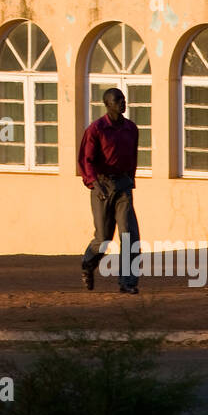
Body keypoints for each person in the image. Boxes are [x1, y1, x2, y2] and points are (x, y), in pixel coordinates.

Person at [77, 87, 141, 294]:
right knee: (104, 238)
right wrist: (95, 184)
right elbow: (86, 161)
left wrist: (129, 179)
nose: (123, 102)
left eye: (123, 99)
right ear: (107, 104)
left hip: (123, 186)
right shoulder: (96, 130)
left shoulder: (131, 128)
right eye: (118, 100)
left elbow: (132, 156)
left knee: (129, 233)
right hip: (101, 186)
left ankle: (128, 282)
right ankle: (88, 263)